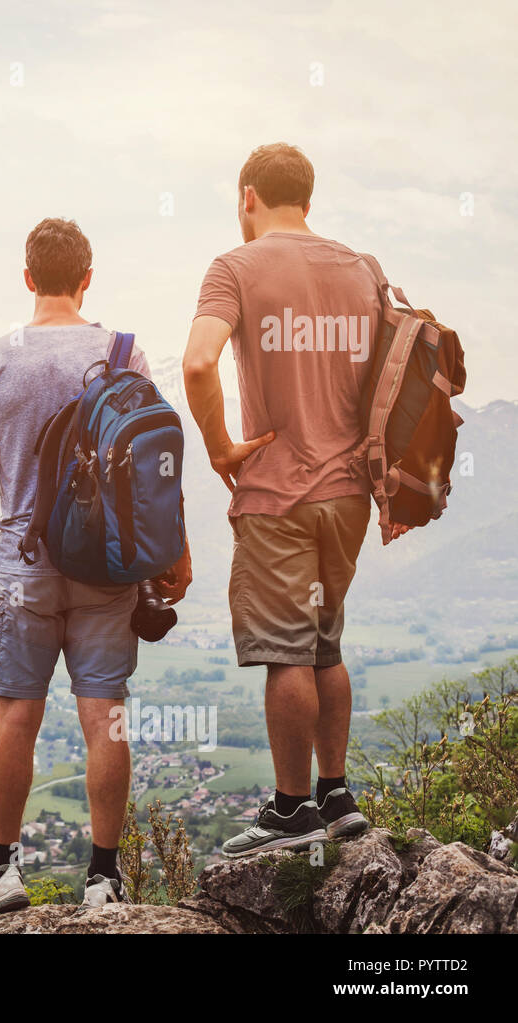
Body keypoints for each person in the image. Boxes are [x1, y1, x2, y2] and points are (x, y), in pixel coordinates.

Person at [0, 217, 192, 915]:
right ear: (87, 277)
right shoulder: (123, 354)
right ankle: (103, 877)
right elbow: (155, 471)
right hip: (107, 568)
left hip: (22, 566)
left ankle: (1, 871)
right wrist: (174, 552)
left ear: (27, 277)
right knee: (105, 720)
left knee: (16, 719)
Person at [182, 143, 380, 857]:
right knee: (326, 643)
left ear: (247, 196)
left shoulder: (235, 268)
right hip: (350, 493)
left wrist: (218, 444)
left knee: (285, 652)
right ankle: (339, 794)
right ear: (309, 196)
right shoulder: (361, 270)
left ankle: (292, 808)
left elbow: (200, 360)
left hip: (277, 489)